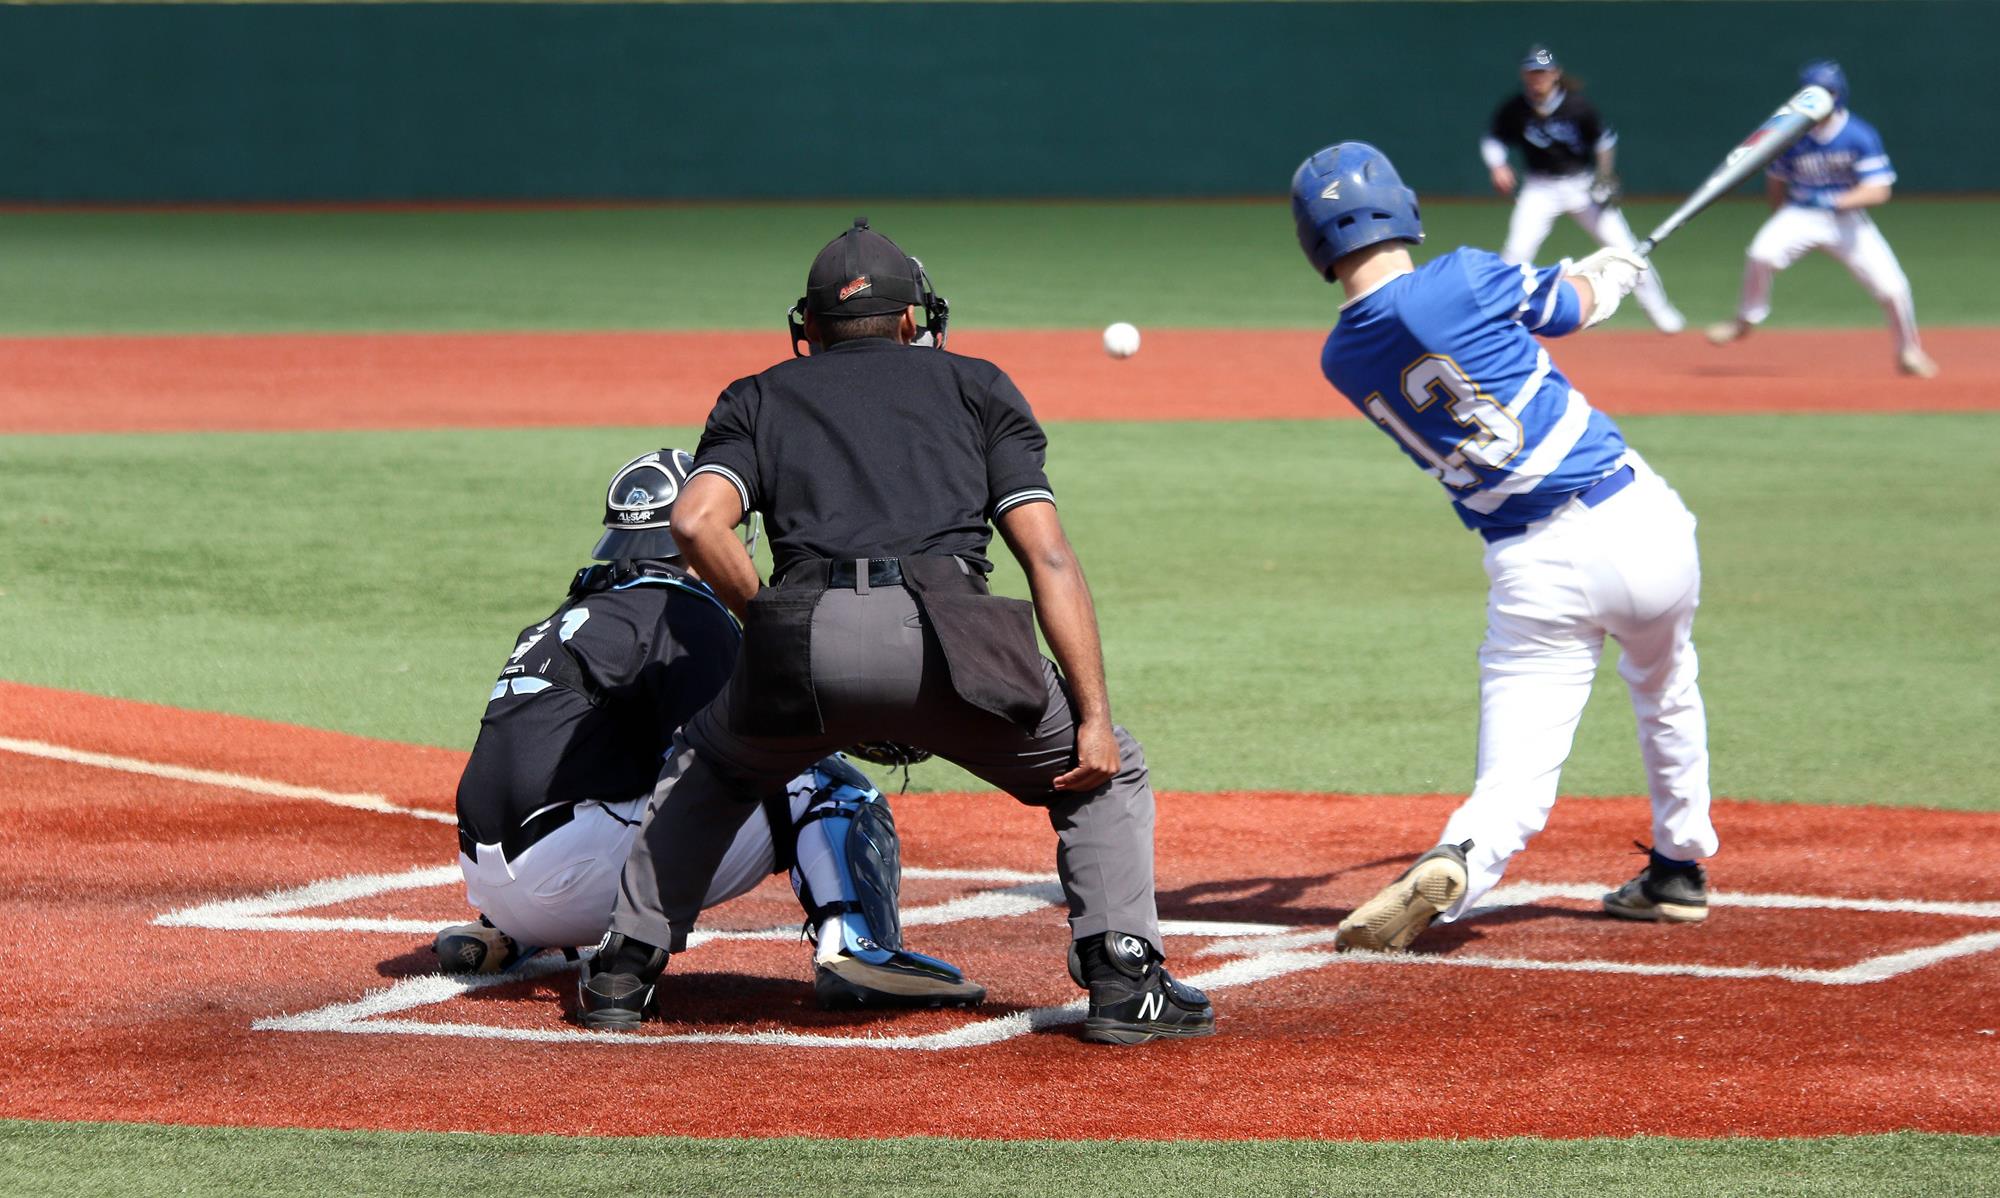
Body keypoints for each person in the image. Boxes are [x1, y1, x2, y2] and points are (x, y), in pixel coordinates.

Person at [580, 219, 1213, 1045]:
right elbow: (1047, 557)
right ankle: (1124, 977)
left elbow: (697, 523)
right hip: (956, 645)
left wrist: (771, 621)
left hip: (805, 647)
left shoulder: (758, 394)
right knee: (1108, 770)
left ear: (807, 328)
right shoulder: (978, 386)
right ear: (914, 319)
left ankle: (626, 968)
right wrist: (1091, 715)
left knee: (711, 766)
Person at [1289, 142, 1717, 952]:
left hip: (1531, 568)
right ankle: (1678, 868)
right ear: (1401, 204)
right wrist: (1611, 271)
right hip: (1639, 523)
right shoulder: (1463, 274)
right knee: (1665, 685)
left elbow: (1457, 326)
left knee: (1513, 777)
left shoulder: (1341, 358)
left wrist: (1588, 276)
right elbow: (1575, 307)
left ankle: (1466, 853)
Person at [436, 448, 984, 1010]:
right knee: (828, 785)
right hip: (569, 881)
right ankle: (858, 949)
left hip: (491, 876)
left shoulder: (579, 610)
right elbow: (736, 749)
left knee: (612, 770)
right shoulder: (682, 612)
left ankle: (507, 930)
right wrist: (847, 725)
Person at [1707, 60, 1937, 378]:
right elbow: (1776, 182)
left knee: (1893, 287)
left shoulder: (1858, 134)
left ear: (1838, 94)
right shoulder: (1789, 133)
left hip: (1847, 221)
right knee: (1761, 253)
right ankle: (1744, 322)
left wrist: (1834, 200)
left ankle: (1909, 350)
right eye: (1812, 92)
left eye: (1827, 92)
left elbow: (1879, 190)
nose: (1820, 97)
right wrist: (1780, 220)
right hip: (1800, 215)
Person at [1481, 44, 1685, 335]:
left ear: (1555, 74)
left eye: (1542, 72)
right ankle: (1496, 318)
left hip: (1581, 186)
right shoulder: (1514, 108)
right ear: (1524, 75)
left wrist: (1605, 175)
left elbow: (1604, 142)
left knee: (1627, 249)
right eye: (1531, 72)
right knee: (1515, 253)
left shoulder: (1578, 106)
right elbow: (1493, 139)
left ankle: (1658, 309)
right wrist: (1498, 165)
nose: (1537, 78)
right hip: (1539, 189)